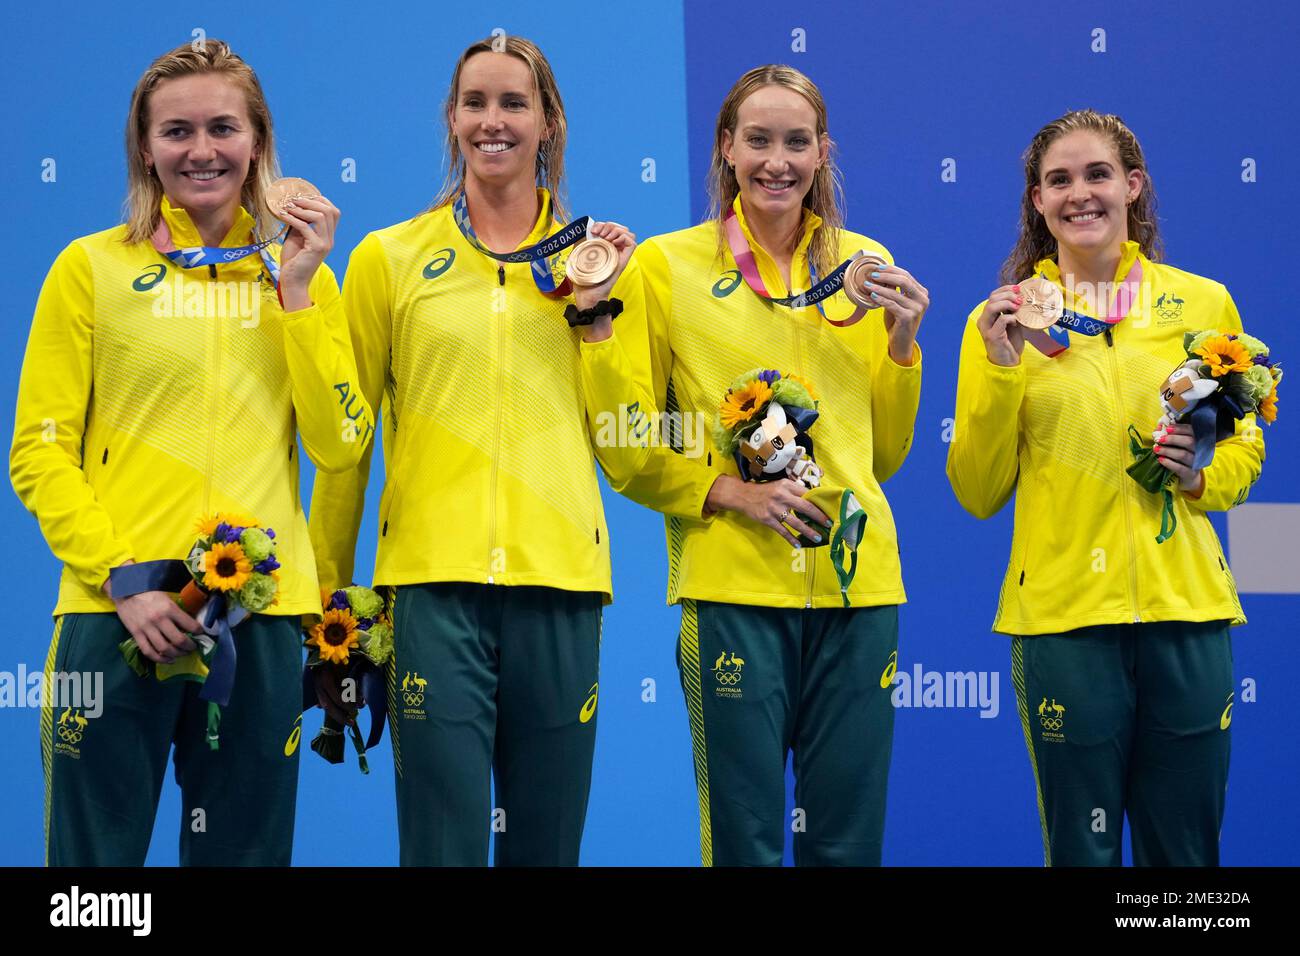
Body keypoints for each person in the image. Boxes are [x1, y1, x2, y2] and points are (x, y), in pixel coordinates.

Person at [11, 40, 372, 866]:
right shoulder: (90, 269)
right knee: (92, 884)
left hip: (259, 623)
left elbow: (342, 443)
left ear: (257, 143)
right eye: (176, 131)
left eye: (222, 128)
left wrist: (301, 292)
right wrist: (123, 582)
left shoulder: (300, 278)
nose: (201, 150)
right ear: (145, 146)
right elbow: (38, 452)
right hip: (115, 617)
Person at [308, 35, 658, 866]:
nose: (491, 121)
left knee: (545, 851)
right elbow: (346, 442)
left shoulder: (601, 264)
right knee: (443, 848)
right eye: (475, 103)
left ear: (549, 123)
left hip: (561, 586)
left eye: (513, 103)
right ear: (451, 118)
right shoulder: (390, 260)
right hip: (430, 594)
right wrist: (329, 597)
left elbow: (629, 449)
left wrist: (597, 318)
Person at [616, 64, 928, 866]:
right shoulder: (665, 267)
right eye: (758, 140)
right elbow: (625, 438)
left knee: (848, 845)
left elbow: (883, 453)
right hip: (733, 591)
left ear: (823, 153)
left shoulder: (865, 266)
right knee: (746, 844)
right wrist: (721, 492)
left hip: (858, 588)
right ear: (727, 148)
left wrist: (901, 346)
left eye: (797, 142)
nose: (776, 161)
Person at [946, 109, 1261, 866]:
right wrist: (996, 367)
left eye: (1097, 175)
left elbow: (1244, 452)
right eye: (1058, 180)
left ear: (1133, 186)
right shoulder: (1003, 320)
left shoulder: (1203, 304)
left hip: (1186, 613)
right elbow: (979, 490)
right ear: (1037, 201)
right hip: (1063, 622)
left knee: (1184, 862)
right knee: (1081, 854)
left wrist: (1200, 473)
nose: (1079, 194)